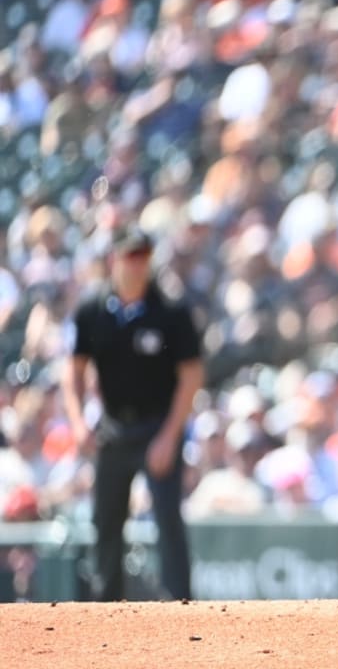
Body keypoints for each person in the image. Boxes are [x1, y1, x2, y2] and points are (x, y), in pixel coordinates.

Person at [60, 226, 203, 601]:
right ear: (114, 259)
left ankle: (180, 604)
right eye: (130, 256)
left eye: (143, 256)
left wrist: (170, 437)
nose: (137, 264)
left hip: (158, 425)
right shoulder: (92, 309)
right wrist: (78, 421)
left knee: (168, 522)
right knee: (106, 522)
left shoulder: (170, 309)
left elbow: (191, 376)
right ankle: (106, 608)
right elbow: (73, 368)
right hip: (113, 426)